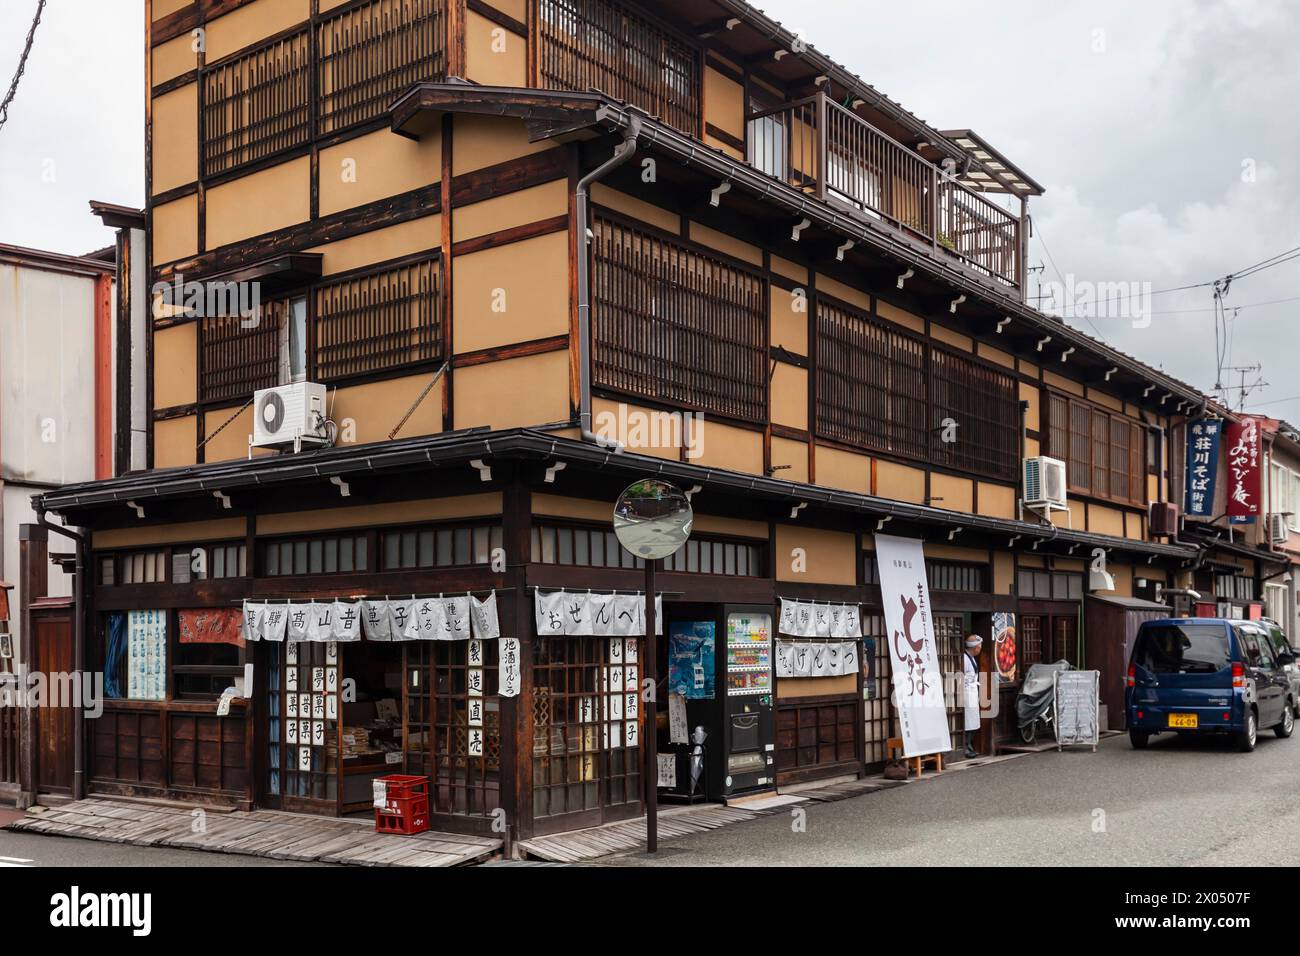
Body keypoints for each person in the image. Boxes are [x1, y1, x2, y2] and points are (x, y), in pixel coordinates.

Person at [962, 634, 983, 758]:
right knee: (968, 722)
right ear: (975, 647)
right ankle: (966, 747)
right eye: (979, 646)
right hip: (966, 693)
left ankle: (969, 746)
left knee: (974, 722)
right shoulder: (965, 659)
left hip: (972, 692)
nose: (980, 648)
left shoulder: (971, 658)